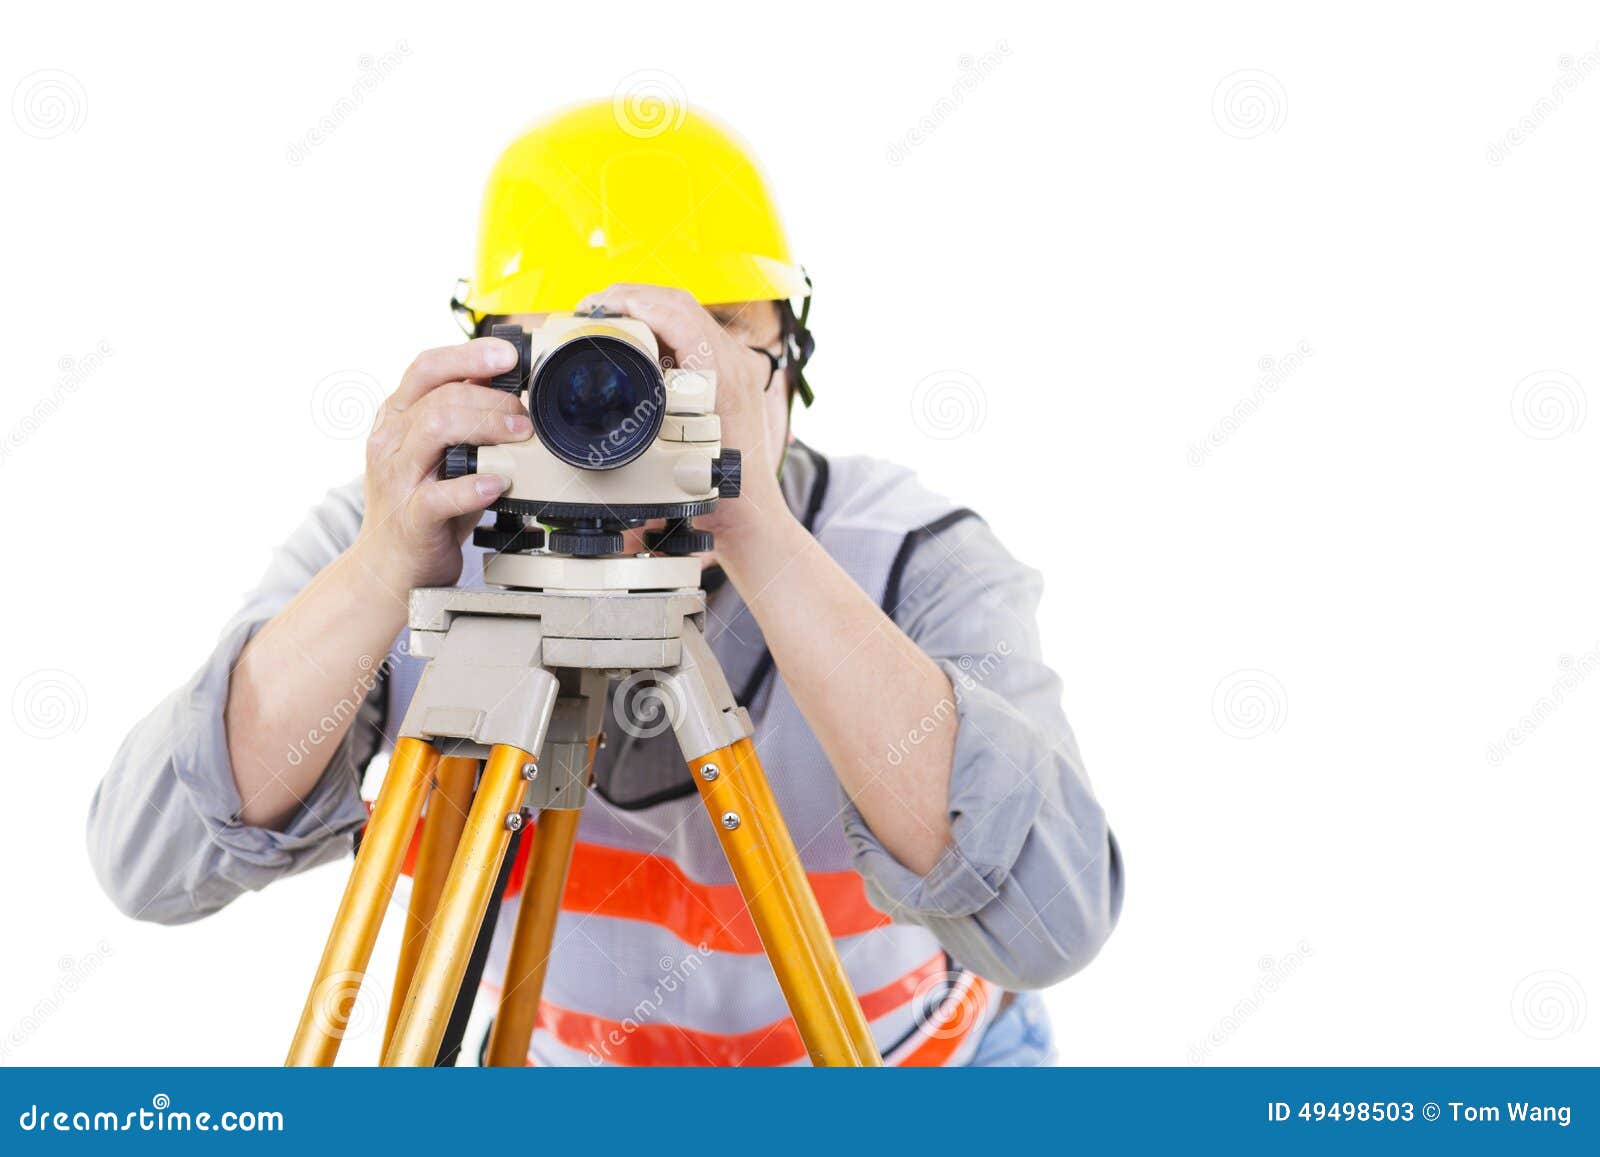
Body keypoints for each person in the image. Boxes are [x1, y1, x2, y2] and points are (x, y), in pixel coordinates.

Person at [87, 98, 1123, 1066]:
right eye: (573, 361)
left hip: (915, 1069)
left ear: (790, 364)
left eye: (701, 342)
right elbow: (151, 863)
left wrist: (750, 523)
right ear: (484, 368)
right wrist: (378, 578)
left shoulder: (905, 553)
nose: (623, 404)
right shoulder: (401, 546)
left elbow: (1051, 921)